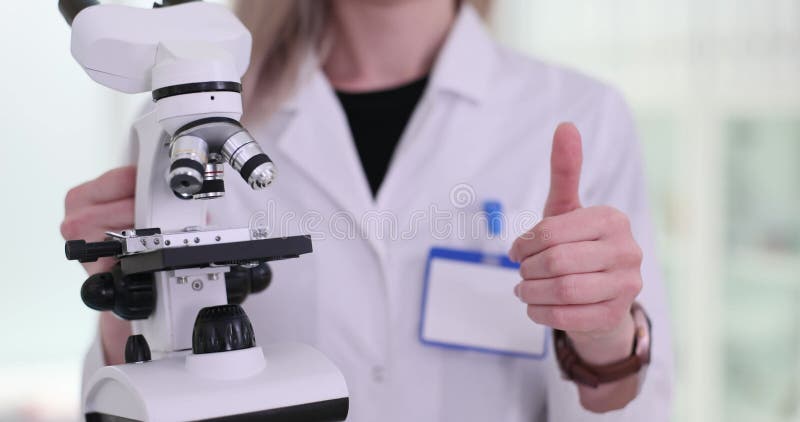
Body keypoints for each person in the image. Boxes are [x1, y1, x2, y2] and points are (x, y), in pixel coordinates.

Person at [60, 0, 673, 420]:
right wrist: (124, 297)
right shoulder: (185, 126)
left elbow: (637, 407)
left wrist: (605, 332)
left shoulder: (580, 115)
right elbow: (135, 393)